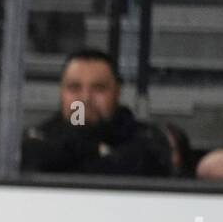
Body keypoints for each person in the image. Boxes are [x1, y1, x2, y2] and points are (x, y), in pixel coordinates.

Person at [21, 49, 172, 176]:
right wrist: (97, 150)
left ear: (117, 92)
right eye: (74, 88)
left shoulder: (145, 140)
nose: (85, 98)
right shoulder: (38, 138)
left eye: (99, 88)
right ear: (61, 92)